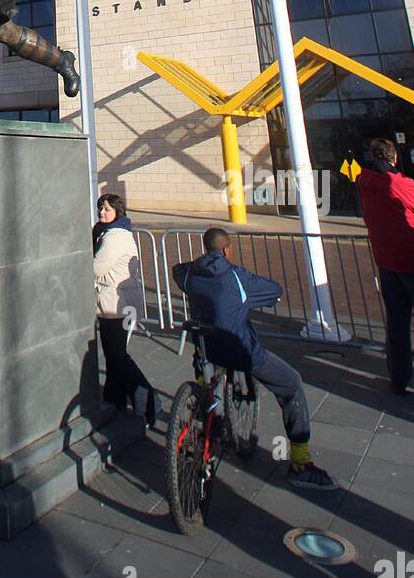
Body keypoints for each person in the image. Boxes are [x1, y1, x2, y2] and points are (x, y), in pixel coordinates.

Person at [173, 227, 336, 490]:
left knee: (206, 379)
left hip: (205, 348)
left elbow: (176, 271)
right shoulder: (237, 277)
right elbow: (274, 290)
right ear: (227, 249)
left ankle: (207, 416)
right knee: (292, 384)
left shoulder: (190, 273)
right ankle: (300, 464)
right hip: (240, 350)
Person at [93, 194, 158, 428]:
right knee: (115, 356)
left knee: (117, 357)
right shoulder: (110, 233)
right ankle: (114, 402)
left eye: (107, 209)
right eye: (101, 208)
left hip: (116, 306)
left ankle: (149, 400)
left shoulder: (114, 237)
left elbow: (96, 267)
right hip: (116, 304)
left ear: (118, 212)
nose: (102, 212)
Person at [357, 136, 414, 396]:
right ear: (393, 157)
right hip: (408, 259)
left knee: (397, 324)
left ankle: (398, 377)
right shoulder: (401, 185)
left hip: (386, 260)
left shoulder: (366, 183)